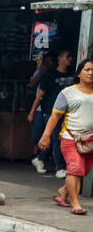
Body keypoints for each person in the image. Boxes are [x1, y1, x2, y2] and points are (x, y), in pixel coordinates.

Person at [37, 56, 93, 216]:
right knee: (74, 170)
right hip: (70, 138)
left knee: (83, 171)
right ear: (79, 73)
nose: (90, 73)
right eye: (87, 69)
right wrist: (46, 135)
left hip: (89, 140)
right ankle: (75, 204)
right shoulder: (67, 93)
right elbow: (54, 116)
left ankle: (63, 192)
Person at [34, 49, 75, 180]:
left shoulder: (72, 75)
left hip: (68, 112)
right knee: (56, 138)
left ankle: (40, 158)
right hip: (51, 111)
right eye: (68, 56)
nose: (70, 59)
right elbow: (40, 95)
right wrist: (32, 112)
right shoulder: (49, 75)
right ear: (60, 58)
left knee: (56, 139)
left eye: (71, 57)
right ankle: (60, 167)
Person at [28, 51, 57, 174]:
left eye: (52, 61)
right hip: (40, 109)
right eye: (48, 61)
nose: (50, 64)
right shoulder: (41, 72)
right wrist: (42, 71)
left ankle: (40, 158)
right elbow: (32, 85)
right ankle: (37, 157)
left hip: (50, 109)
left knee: (51, 136)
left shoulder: (54, 74)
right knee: (38, 135)